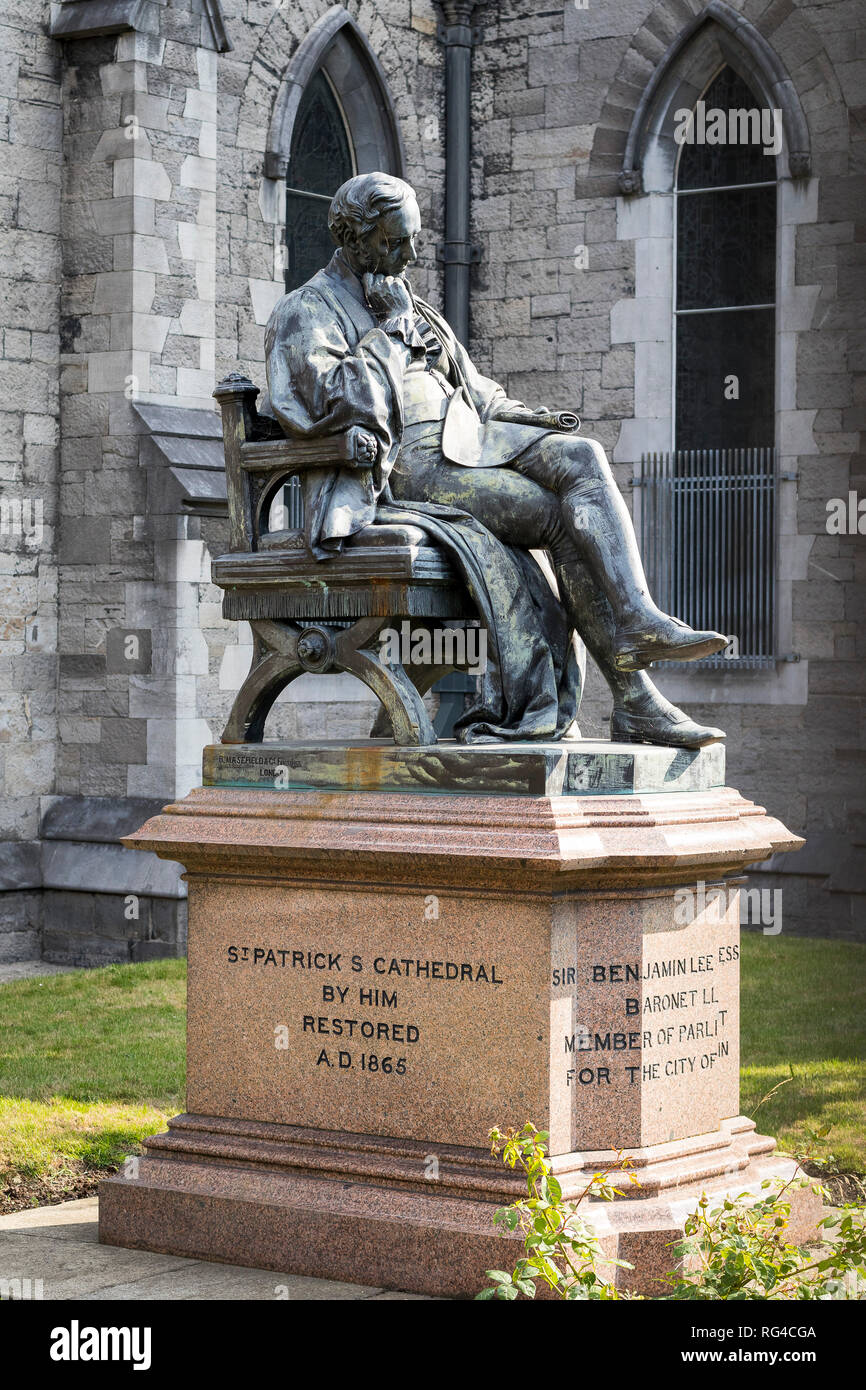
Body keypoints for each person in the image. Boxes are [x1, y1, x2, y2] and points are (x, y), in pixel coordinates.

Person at [265, 172, 726, 748]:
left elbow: (478, 392)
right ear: (352, 239)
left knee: (581, 454)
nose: (407, 256)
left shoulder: (414, 306)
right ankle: (636, 701)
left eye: (411, 241)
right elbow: (327, 398)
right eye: (392, 243)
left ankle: (638, 617)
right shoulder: (306, 310)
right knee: (555, 519)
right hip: (405, 470)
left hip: (473, 440)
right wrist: (389, 332)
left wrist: (535, 419)